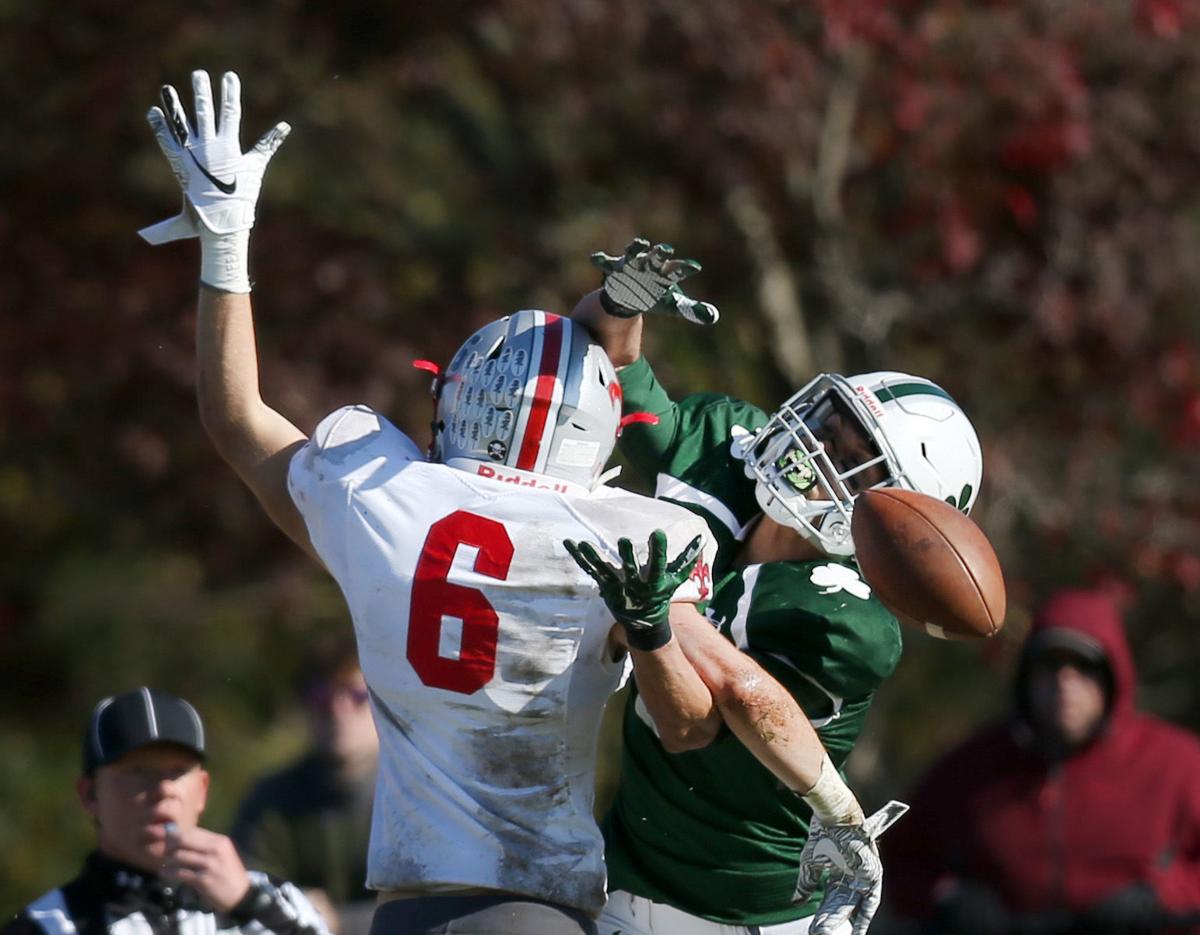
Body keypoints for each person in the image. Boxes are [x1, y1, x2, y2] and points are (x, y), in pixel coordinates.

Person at [137, 70, 887, 935]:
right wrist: (841, 813)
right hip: (540, 912)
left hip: (408, 913)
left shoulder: (382, 503)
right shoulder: (622, 538)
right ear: (597, 434)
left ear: (454, 401)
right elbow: (727, 707)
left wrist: (225, 245)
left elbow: (235, 418)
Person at [568, 239, 986, 935]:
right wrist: (615, 306)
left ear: (904, 520)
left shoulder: (843, 620)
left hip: (756, 917)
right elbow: (609, 365)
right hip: (627, 883)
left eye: (859, 462)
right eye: (831, 425)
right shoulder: (728, 443)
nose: (817, 452)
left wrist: (653, 609)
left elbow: (688, 719)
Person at [880, 587, 1200, 935]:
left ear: (1112, 677)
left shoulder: (1178, 764)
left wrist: (1162, 896)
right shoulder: (970, 769)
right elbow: (900, 859)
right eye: (1050, 665)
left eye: (1084, 667)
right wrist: (948, 894)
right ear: (1026, 677)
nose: (1065, 682)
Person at [1, 688, 332, 935]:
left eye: (177, 771)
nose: (163, 790)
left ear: (202, 790)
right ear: (90, 794)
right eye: (138, 772)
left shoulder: (272, 898)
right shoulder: (46, 925)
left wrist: (248, 905)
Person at [232, 634, 379, 935]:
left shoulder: (417, 798)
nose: (339, 710)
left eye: (357, 695)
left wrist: (339, 921)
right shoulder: (270, 801)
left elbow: (435, 905)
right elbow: (243, 891)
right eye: (322, 697)